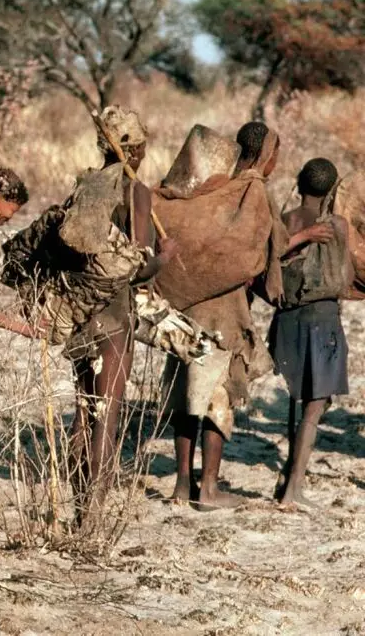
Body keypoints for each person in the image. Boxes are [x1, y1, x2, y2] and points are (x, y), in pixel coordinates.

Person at [160, 121, 305, 509]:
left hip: (187, 308)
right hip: (223, 314)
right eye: (274, 155)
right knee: (217, 400)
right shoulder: (252, 192)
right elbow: (261, 253)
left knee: (185, 398)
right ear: (263, 155)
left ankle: (180, 486)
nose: (275, 164)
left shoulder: (211, 185)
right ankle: (208, 490)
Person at [69, 109, 177, 514]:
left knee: (84, 407)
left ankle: (78, 500)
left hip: (80, 310)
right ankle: (91, 514)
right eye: (143, 146)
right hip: (114, 313)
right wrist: (165, 258)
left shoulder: (85, 185)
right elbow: (137, 265)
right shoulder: (137, 193)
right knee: (107, 412)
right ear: (133, 150)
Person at [270, 158, 347, 508]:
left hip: (287, 321)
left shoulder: (285, 221)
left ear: (299, 184)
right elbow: (346, 276)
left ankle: (287, 475)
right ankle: (293, 491)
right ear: (331, 191)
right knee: (315, 409)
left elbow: (268, 259)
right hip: (322, 320)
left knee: (295, 397)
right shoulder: (339, 227)